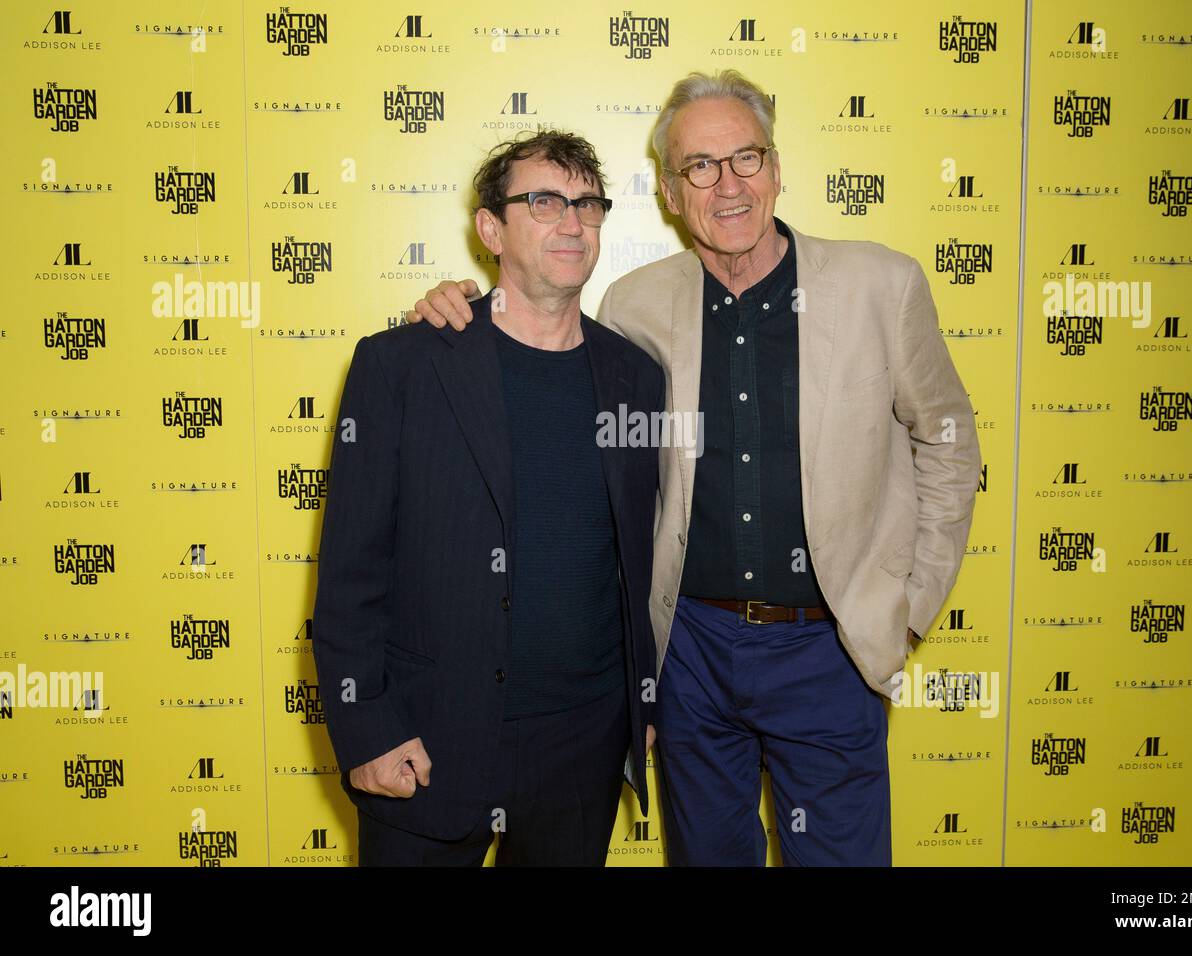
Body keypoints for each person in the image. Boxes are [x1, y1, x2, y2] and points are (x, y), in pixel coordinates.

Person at [407, 70, 982, 866]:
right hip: (689, 652)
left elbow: (948, 436)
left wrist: (910, 604)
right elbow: (546, 371)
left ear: (777, 168)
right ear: (672, 194)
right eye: (699, 168)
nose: (728, 185)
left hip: (831, 646)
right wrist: (457, 314)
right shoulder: (635, 305)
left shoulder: (881, 286)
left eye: (745, 158)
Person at [314, 130, 663, 866]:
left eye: (587, 204)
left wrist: (641, 707)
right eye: (543, 202)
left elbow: (642, 562)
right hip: (426, 742)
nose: (572, 222)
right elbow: (348, 576)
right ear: (490, 228)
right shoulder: (401, 365)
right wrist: (366, 729)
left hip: (581, 751)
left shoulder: (635, 376)